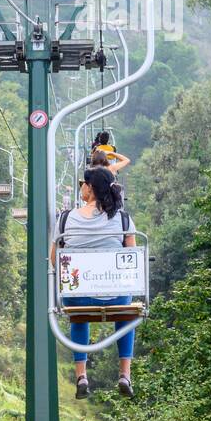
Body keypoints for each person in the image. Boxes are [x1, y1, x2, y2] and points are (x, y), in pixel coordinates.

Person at [51, 166, 137, 399]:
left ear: (90, 188)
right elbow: (131, 258)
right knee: (126, 311)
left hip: (78, 297)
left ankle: (81, 375)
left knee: (79, 310)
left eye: (84, 183)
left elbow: (54, 258)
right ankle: (125, 373)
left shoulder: (66, 219)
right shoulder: (123, 220)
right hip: (115, 297)